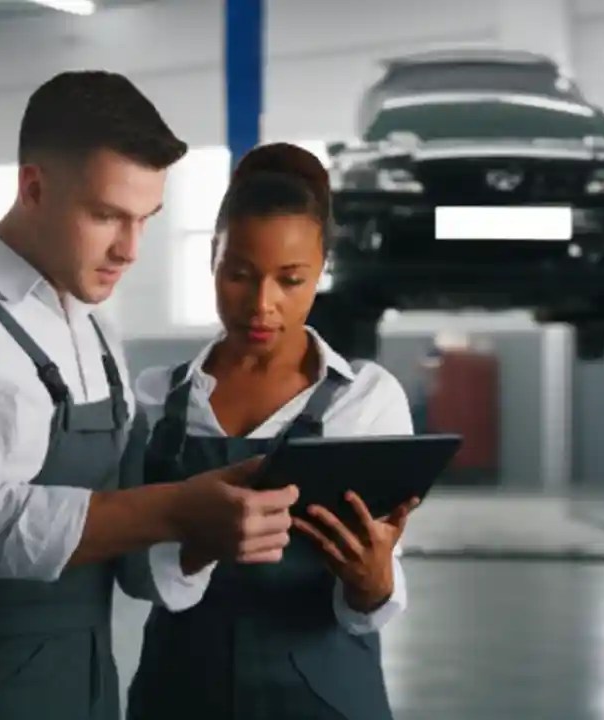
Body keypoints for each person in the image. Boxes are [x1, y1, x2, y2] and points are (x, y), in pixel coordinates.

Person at [0, 71, 301, 720]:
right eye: (105, 216)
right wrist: (177, 508)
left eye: (146, 221)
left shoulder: (93, 328)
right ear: (33, 187)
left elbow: (129, 564)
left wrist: (209, 530)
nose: (130, 250)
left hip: (84, 678)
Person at [124, 143, 418, 720]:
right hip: (178, 697)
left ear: (320, 272)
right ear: (211, 258)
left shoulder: (366, 401)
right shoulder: (157, 401)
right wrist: (199, 543)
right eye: (239, 274)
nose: (263, 304)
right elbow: (136, 576)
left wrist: (374, 582)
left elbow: (375, 591)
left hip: (327, 698)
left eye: (290, 279)